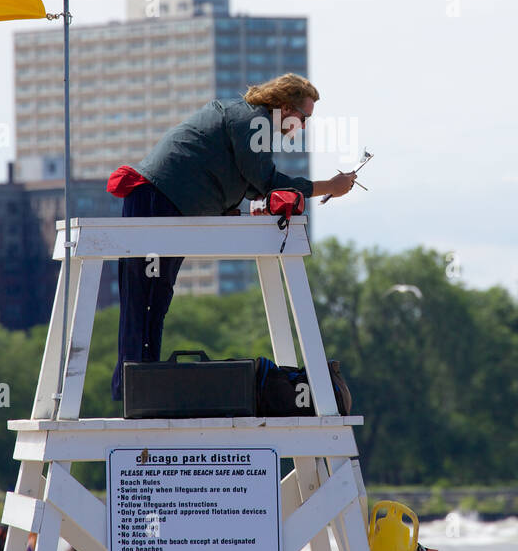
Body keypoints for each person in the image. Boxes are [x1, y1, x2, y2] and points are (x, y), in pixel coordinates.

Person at [106, 74, 358, 401]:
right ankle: (131, 389)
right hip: (156, 202)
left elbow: (243, 182)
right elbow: (268, 181)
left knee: (155, 300)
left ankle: (141, 387)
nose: (304, 126)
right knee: (144, 300)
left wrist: (243, 208)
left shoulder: (250, 119)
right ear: (284, 107)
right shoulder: (255, 122)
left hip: (164, 203)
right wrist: (329, 187)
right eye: (304, 117)